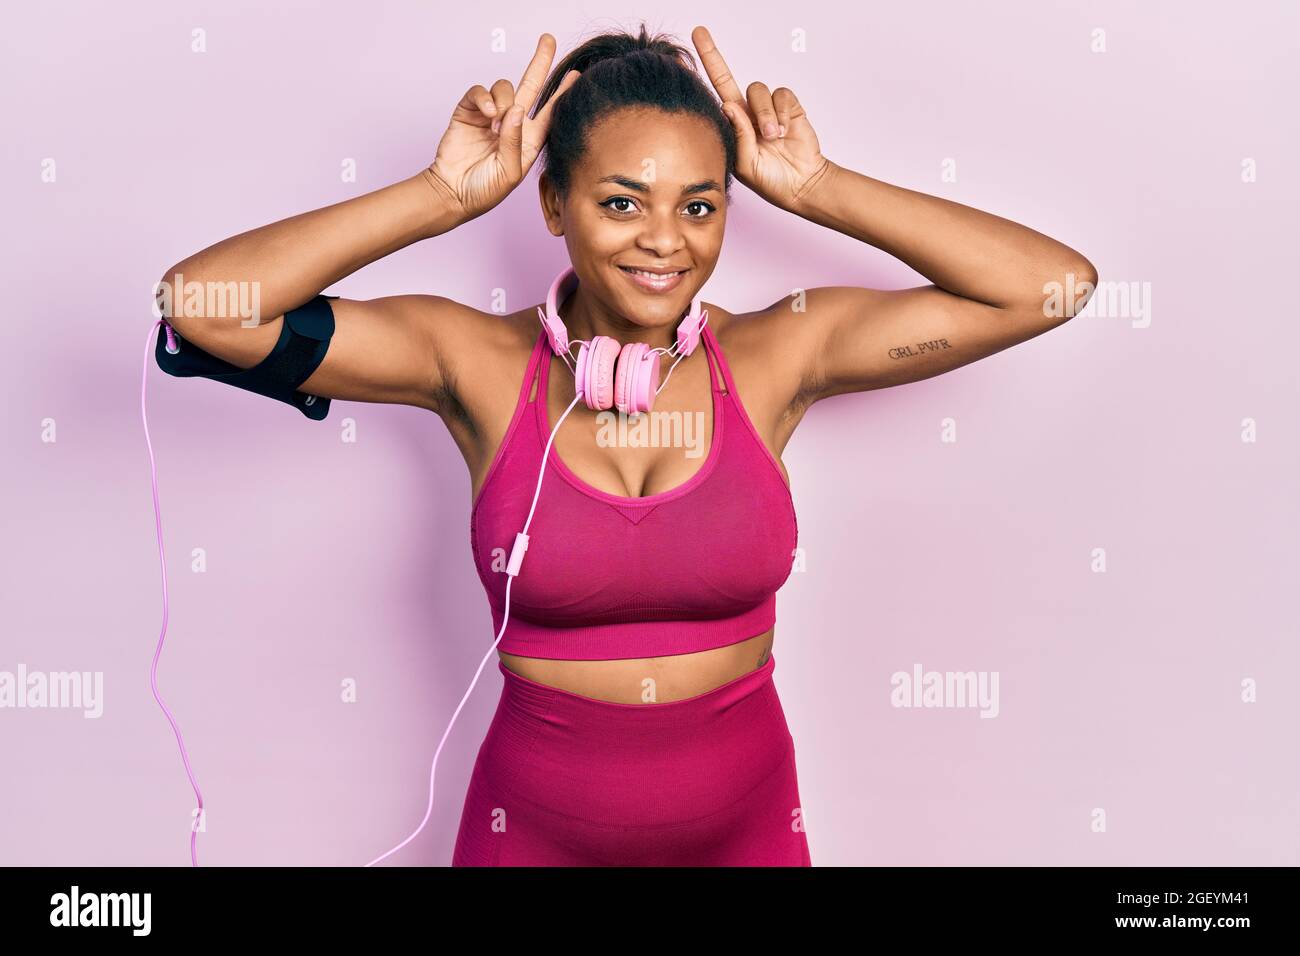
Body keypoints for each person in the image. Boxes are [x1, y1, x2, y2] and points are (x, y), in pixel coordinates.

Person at [154, 23, 1097, 866]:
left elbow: (1048, 285)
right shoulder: (472, 363)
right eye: (620, 203)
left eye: (700, 205)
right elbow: (200, 307)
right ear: (553, 205)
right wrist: (439, 195)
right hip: (527, 838)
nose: (665, 243)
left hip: (751, 834)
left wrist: (821, 189)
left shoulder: (779, 353)